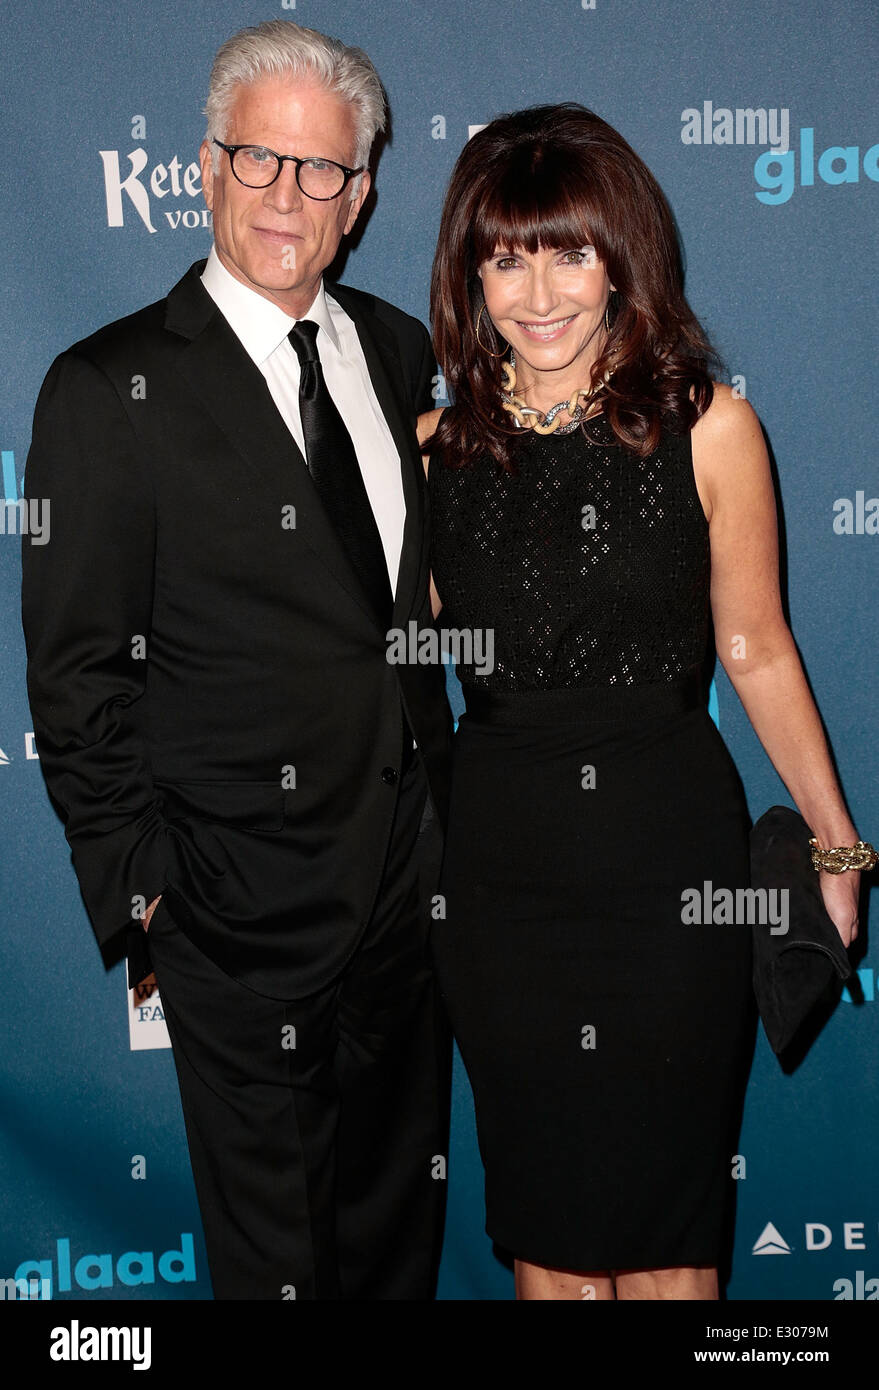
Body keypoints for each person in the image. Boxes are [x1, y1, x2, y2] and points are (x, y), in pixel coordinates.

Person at [22, 19, 452, 1300]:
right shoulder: (108, 388)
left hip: (410, 905)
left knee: (394, 1251)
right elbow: (77, 676)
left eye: (321, 171)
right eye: (259, 160)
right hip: (235, 916)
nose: (287, 196)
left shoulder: (395, 350)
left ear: (361, 195)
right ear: (205, 166)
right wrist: (154, 903)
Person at [419, 103, 870, 1301]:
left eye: (571, 249)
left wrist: (839, 844)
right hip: (502, 878)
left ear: (625, 257)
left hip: (670, 873)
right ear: (470, 276)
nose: (539, 291)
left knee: (673, 1246)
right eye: (506, 256)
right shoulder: (434, 451)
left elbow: (757, 648)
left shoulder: (709, 427)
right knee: (551, 1243)